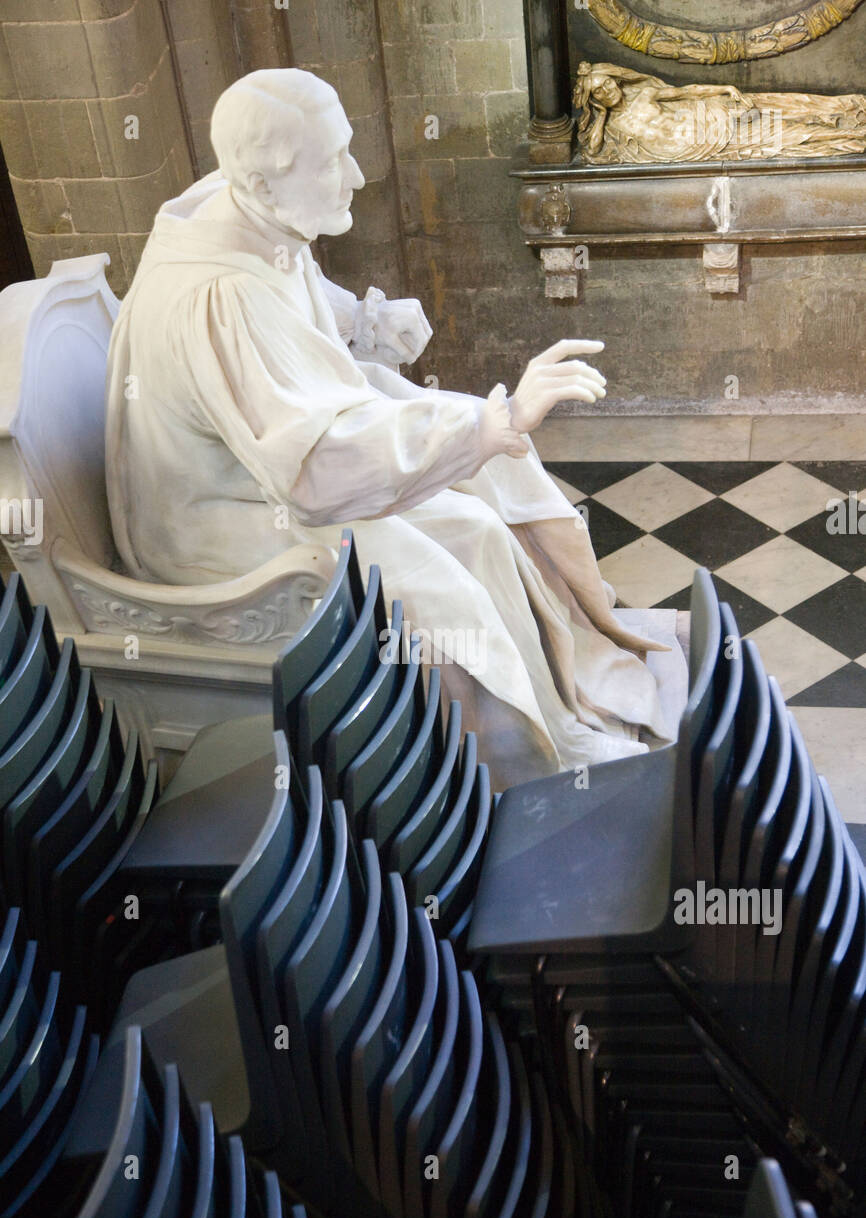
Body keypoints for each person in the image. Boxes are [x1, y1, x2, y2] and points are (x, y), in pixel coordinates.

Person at [105, 68, 684, 790]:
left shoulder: (243, 210)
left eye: (348, 148)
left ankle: (561, 715)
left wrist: (364, 323)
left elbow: (294, 291)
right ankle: (525, 776)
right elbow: (316, 473)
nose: (356, 175)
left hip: (258, 472)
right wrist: (488, 422)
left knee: (477, 519)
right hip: (216, 520)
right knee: (440, 588)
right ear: (263, 184)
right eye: (333, 162)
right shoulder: (221, 293)